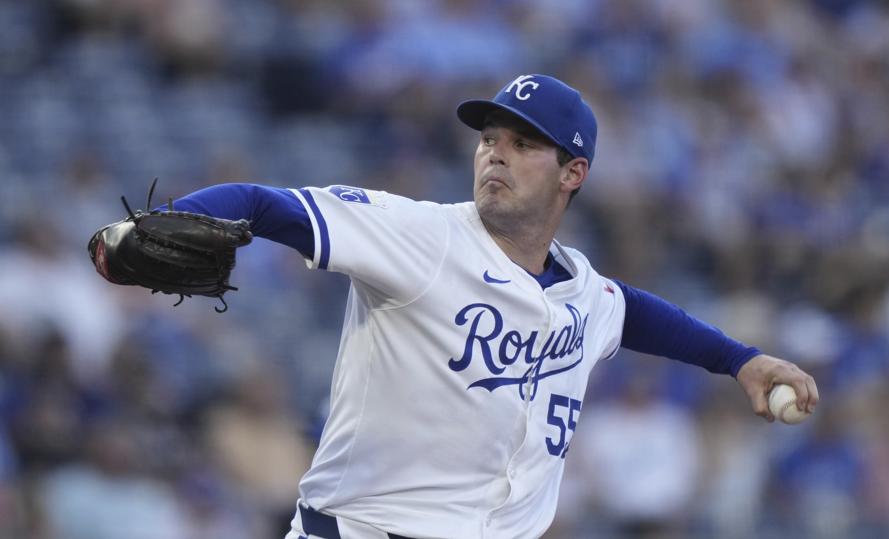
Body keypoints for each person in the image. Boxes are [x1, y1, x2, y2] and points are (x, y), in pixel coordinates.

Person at [142, 74, 819, 539]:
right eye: (489, 138)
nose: (495, 153)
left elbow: (630, 311)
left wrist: (741, 360)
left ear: (572, 173)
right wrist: (160, 224)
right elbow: (267, 205)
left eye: (522, 144)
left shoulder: (579, 287)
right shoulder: (423, 236)